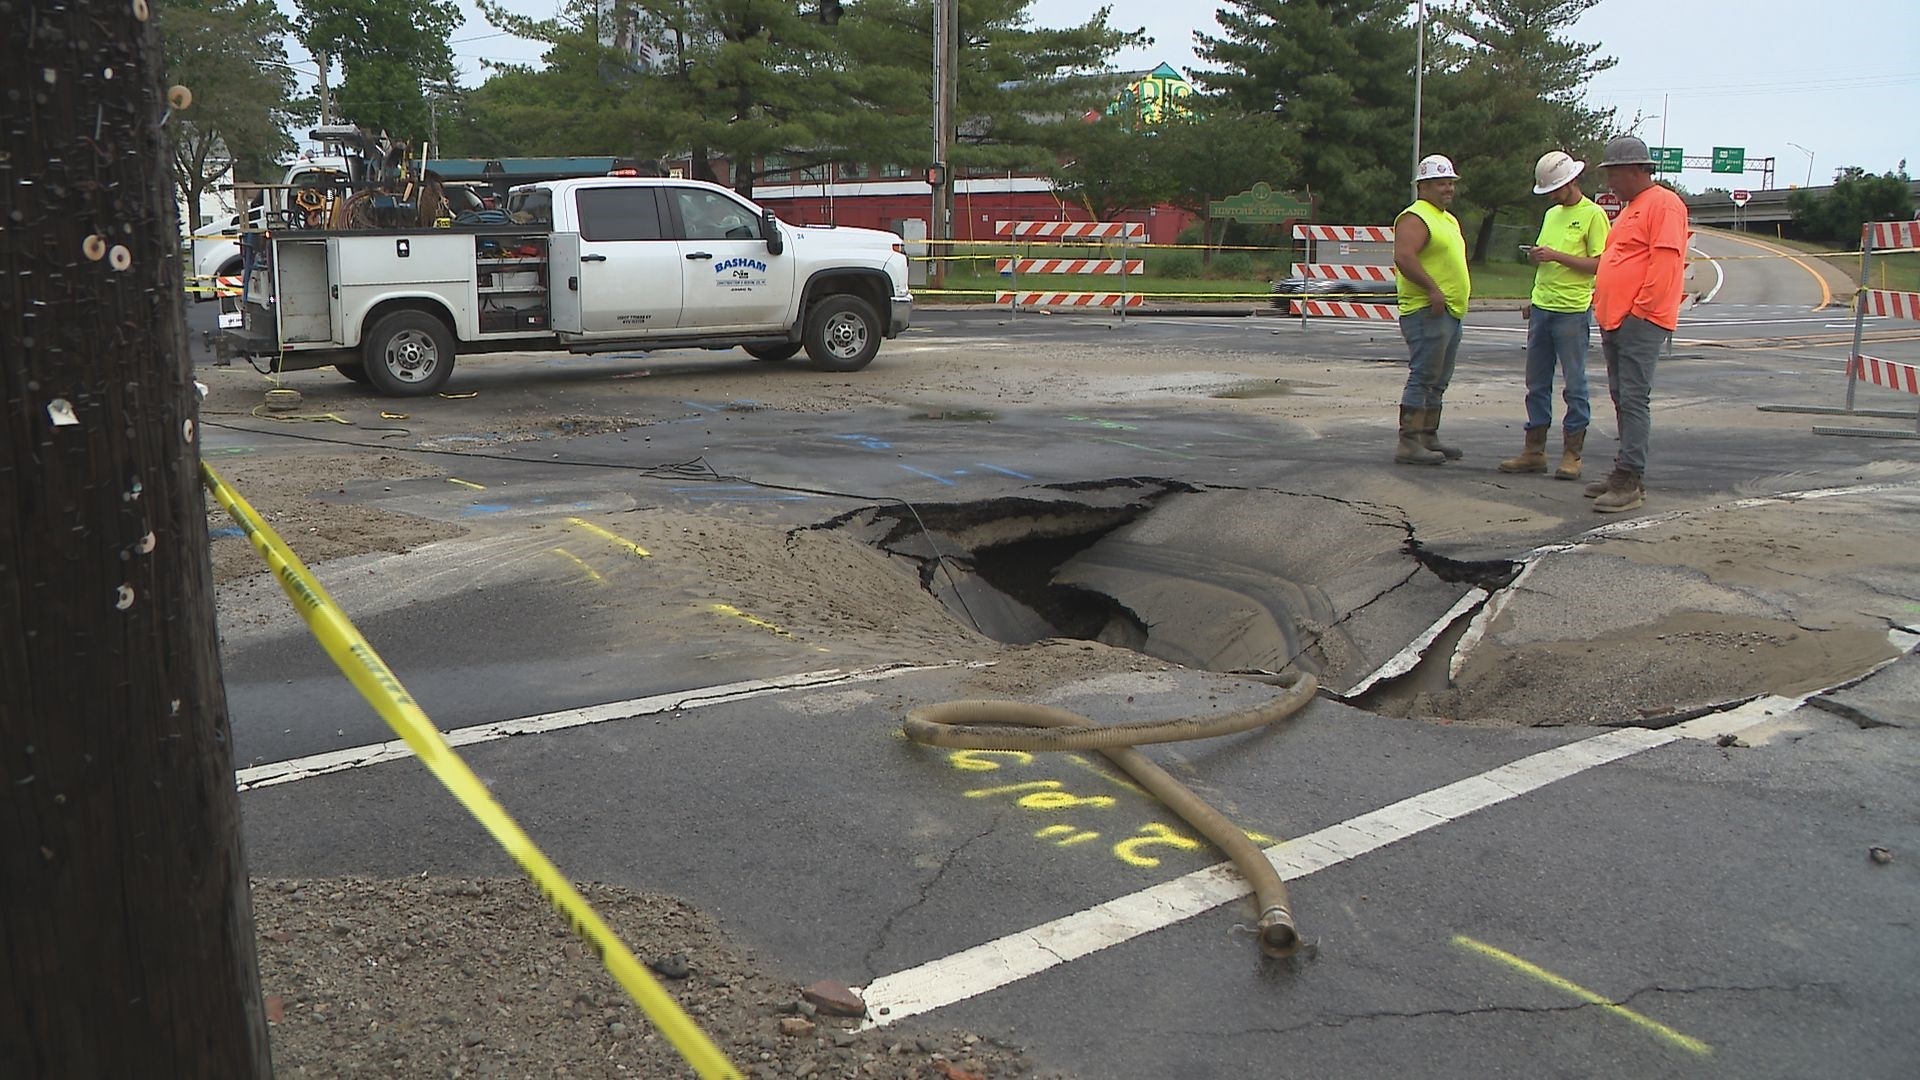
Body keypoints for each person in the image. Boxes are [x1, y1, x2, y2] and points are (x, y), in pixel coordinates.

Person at [1588, 135, 1688, 512]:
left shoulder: (1663, 204)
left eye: (1613, 174)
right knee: (1623, 397)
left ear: (1634, 170)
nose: (1609, 182)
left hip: (1639, 321)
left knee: (1633, 398)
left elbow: (1665, 264)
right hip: (1616, 318)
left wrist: (1640, 312)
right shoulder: (1632, 209)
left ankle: (1630, 478)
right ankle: (1625, 469)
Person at [1499, 150, 1609, 480]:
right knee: (1536, 383)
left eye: (1554, 189)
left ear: (1571, 182)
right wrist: (1537, 262)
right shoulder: (1551, 215)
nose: (1551, 195)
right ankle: (1534, 450)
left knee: (1574, 383)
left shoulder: (1593, 215)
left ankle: (1572, 453)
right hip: (1543, 306)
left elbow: (1600, 264)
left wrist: (1556, 256)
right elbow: (1547, 259)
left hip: (1572, 310)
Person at [1391, 154, 1472, 465]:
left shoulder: (1447, 218)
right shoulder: (1415, 217)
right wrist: (1432, 289)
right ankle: (1409, 441)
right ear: (1422, 186)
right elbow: (1404, 257)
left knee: (1439, 378)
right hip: (1427, 310)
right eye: (1441, 183)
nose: (1448, 188)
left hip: (1450, 311)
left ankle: (1428, 434)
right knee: (1424, 375)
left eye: (1450, 183)